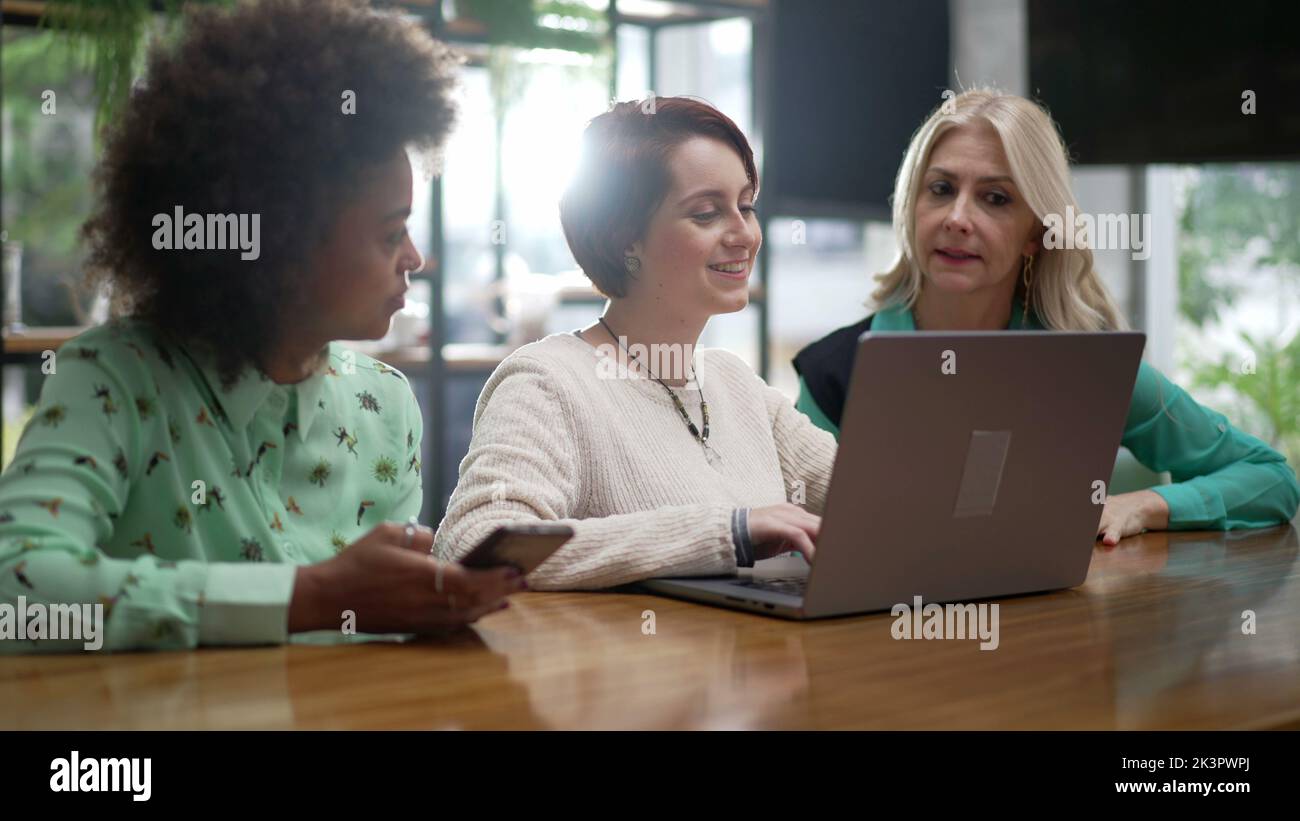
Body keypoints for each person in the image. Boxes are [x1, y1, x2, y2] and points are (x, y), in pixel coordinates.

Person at [0, 0, 522, 654]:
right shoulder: (114, 380)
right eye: (391, 232)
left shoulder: (384, 405)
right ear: (282, 244)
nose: (415, 258)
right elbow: (13, 592)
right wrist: (311, 597)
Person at [792, 88, 1299, 544]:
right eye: (941, 189)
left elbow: (1271, 476)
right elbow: (799, 537)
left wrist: (1147, 505)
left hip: (1059, 635)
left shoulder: (1087, 365)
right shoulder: (833, 375)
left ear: (1036, 233)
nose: (958, 218)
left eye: (995, 198)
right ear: (911, 207)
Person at [433, 97, 836, 589]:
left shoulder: (734, 382)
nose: (744, 234)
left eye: (746, 206)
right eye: (708, 213)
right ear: (625, 242)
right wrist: (730, 531)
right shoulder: (546, 383)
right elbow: (477, 545)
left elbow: (868, 496)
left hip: (753, 658)